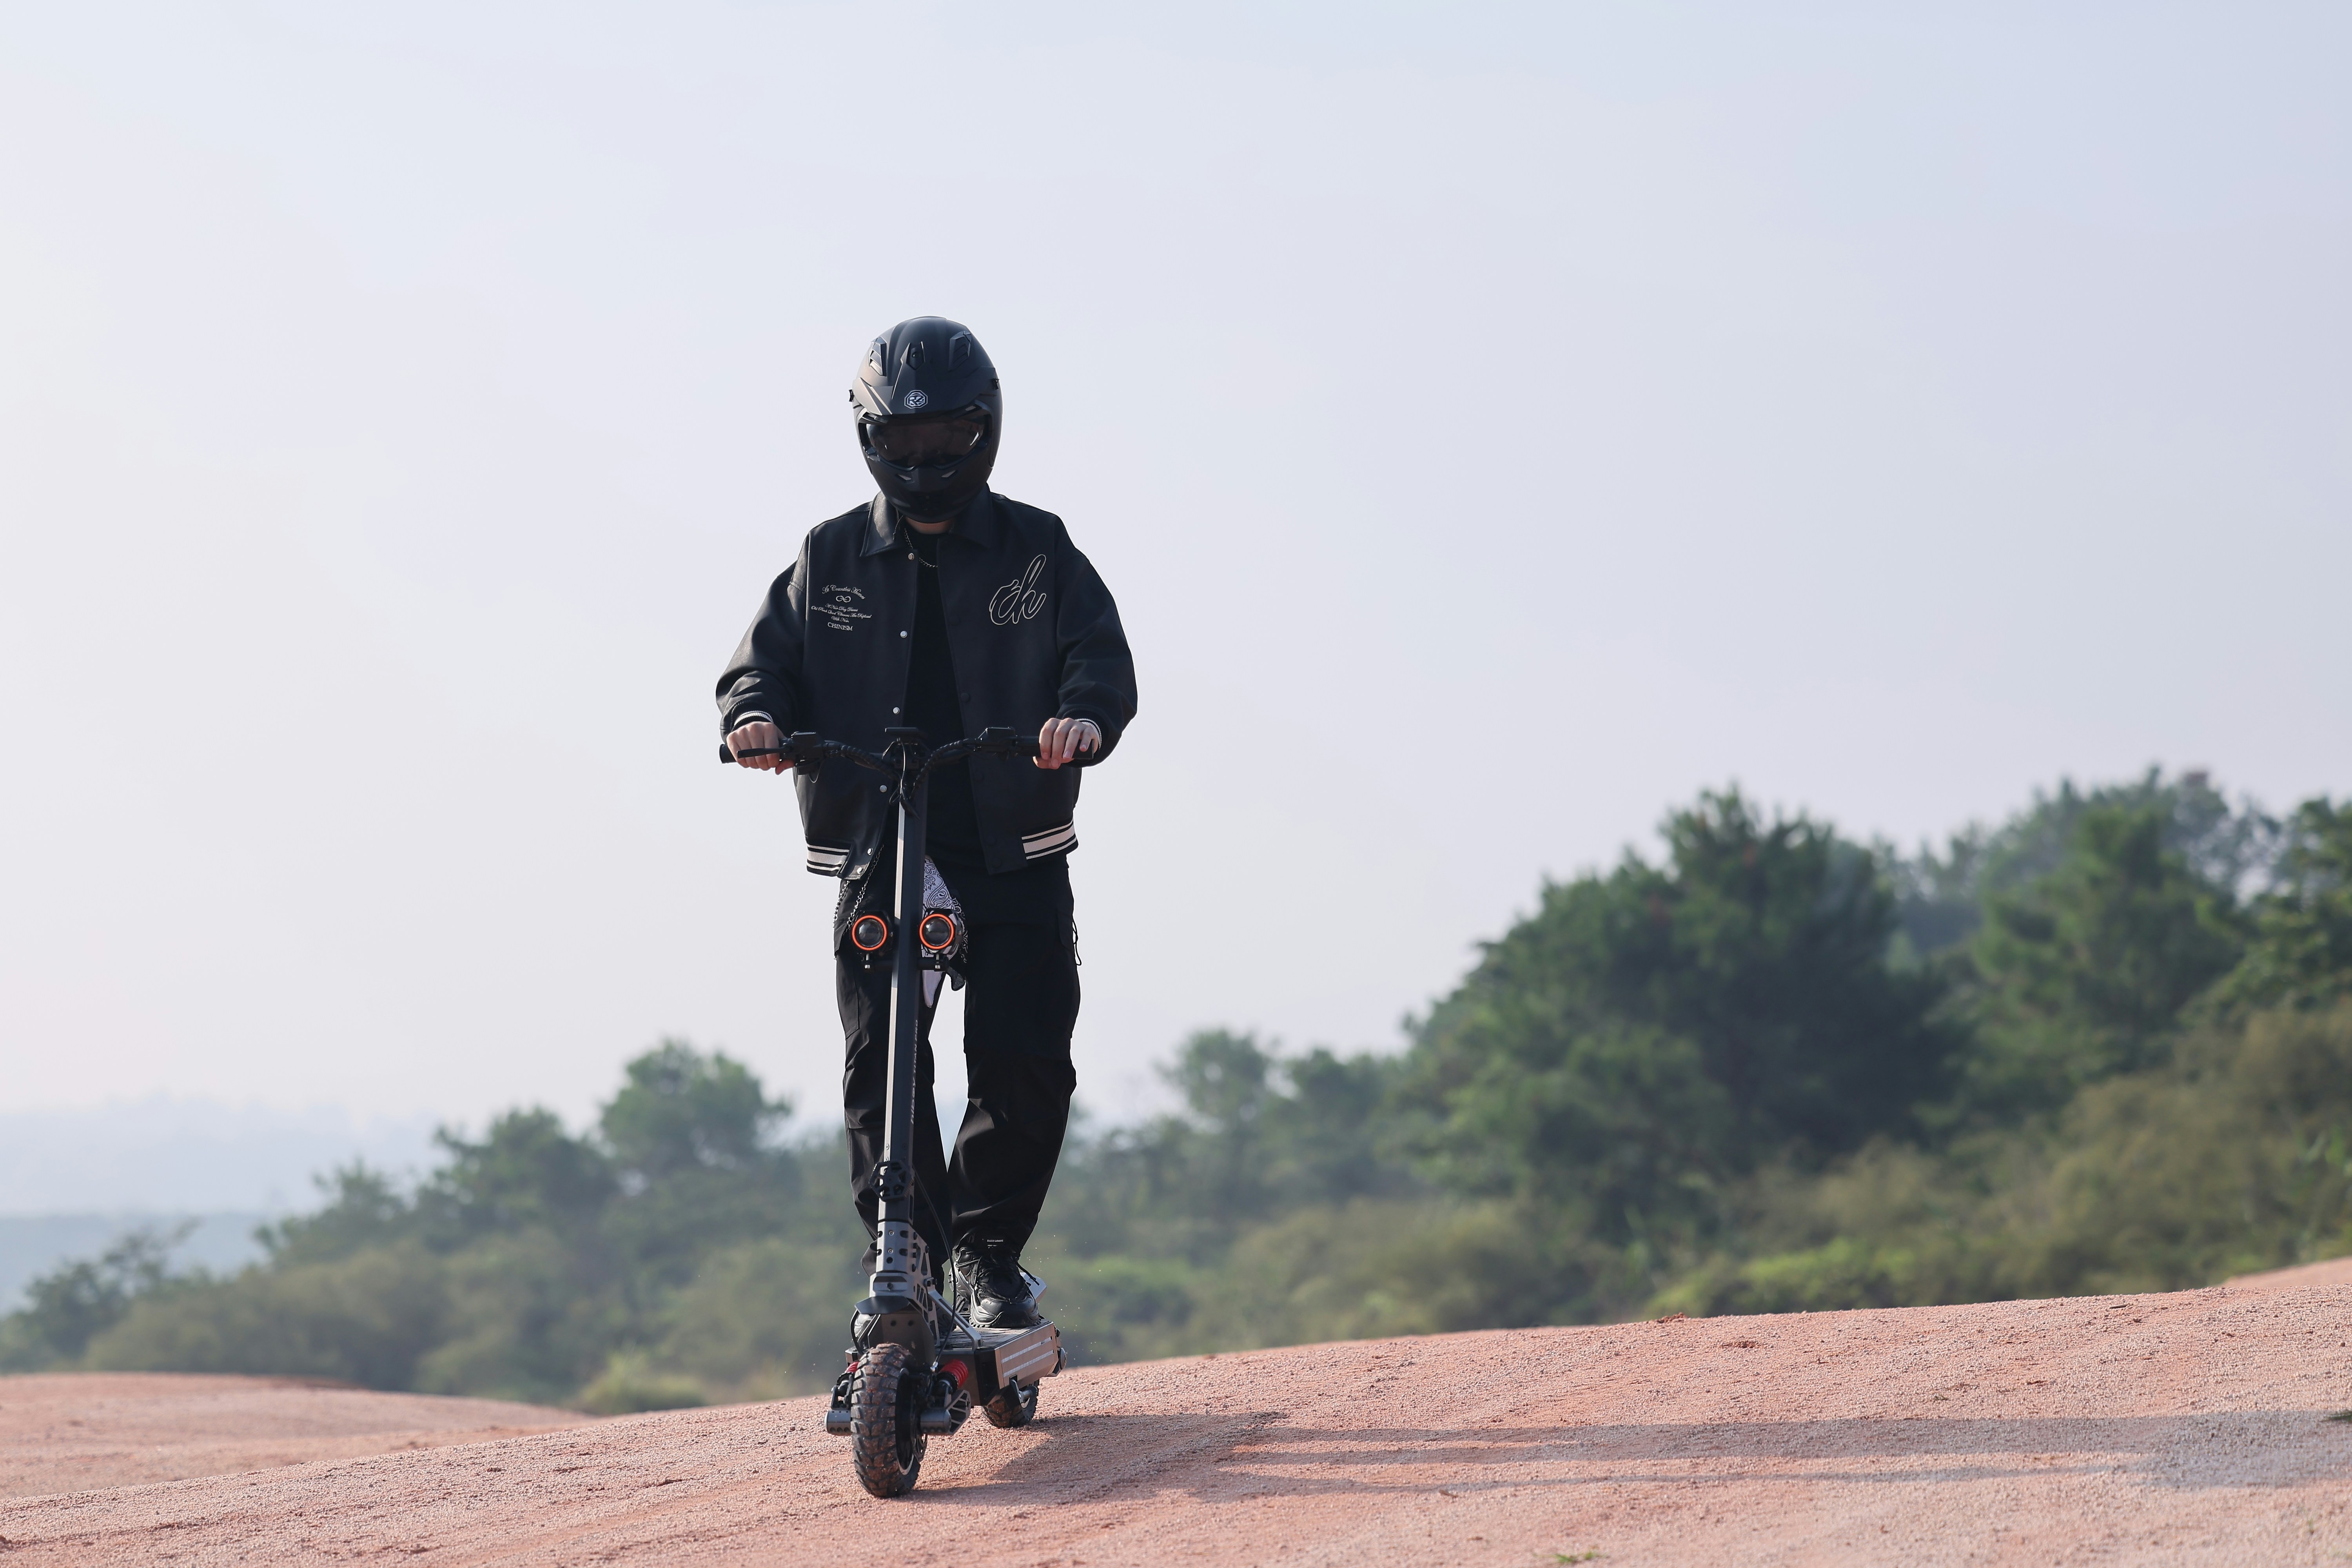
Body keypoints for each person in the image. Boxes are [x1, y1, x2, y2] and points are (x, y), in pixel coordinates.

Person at [716, 317, 1136, 1331]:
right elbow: (757, 664)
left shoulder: (1039, 547)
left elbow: (1098, 657)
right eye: (904, 443)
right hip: (883, 837)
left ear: (985, 431)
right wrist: (754, 718)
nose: (927, 460)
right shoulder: (831, 555)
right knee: (884, 1056)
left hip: (1011, 837)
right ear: (869, 438)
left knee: (1025, 1057)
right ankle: (904, 1244)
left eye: (947, 437)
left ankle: (988, 1259)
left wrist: (1082, 715)